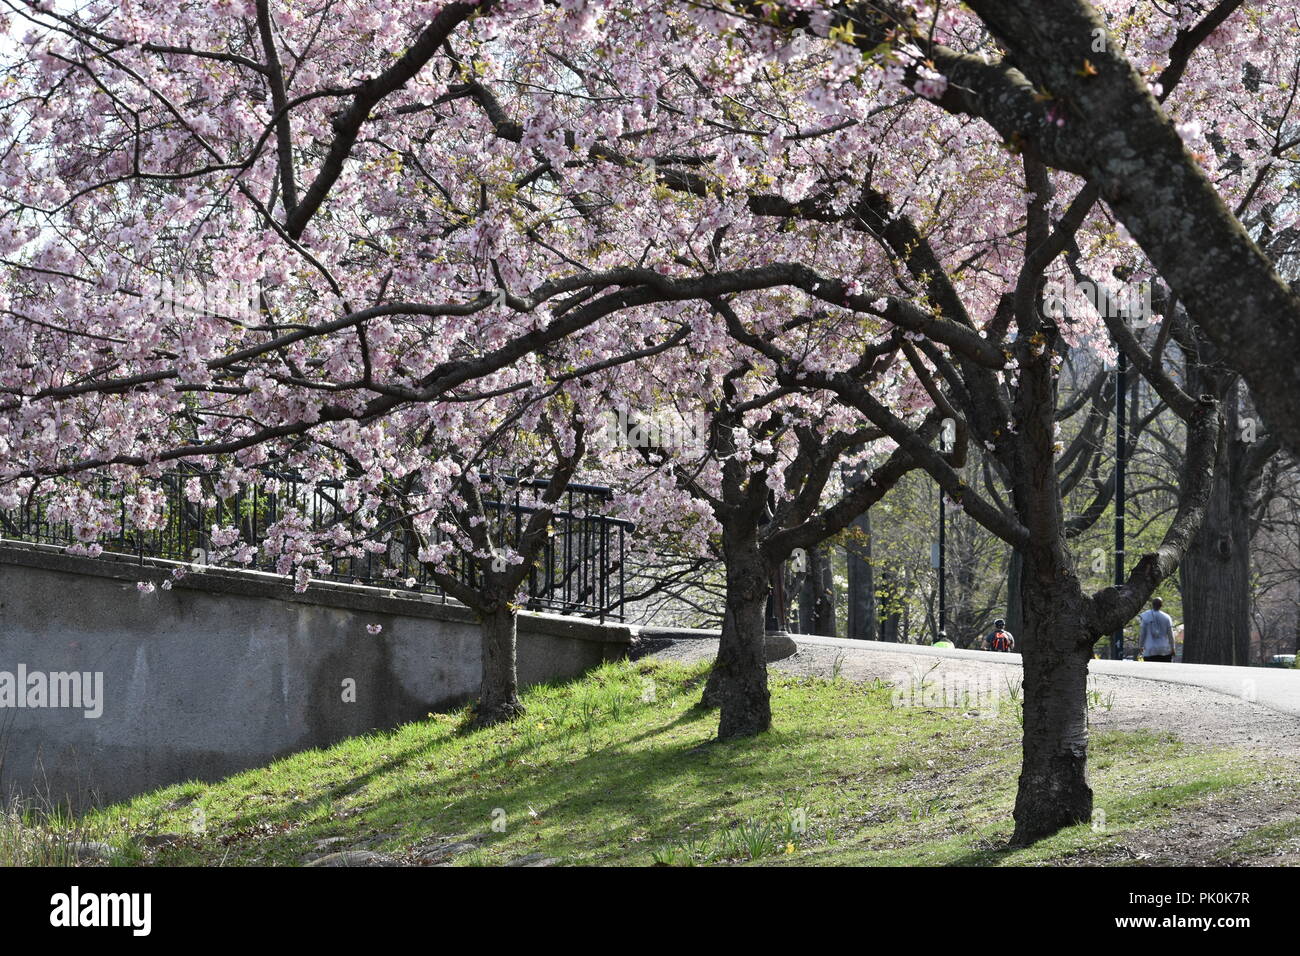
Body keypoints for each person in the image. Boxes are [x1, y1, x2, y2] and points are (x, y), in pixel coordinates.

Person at [1139, 597, 1176, 662]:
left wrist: (1141, 646)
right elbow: (1170, 635)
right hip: (1164, 650)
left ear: (1152, 604)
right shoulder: (1167, 617)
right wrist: (1172, 648)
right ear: (1161, 605)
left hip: (1150, 650)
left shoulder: (1146, 616)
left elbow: (1143, 633)